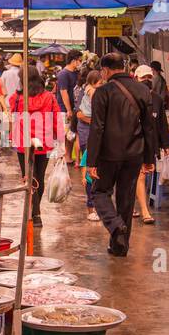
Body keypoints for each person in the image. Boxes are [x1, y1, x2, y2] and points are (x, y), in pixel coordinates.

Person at [86, 53, 157, 257]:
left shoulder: (102, 92)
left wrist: (91, 161)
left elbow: (97, 128)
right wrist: (149, 158)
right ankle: (120, 246)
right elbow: (148, 128)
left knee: (100, 192)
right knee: (126, 198)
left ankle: (115, 225)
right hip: (134, 153)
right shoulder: (143, 90)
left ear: (106, 71)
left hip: (108, 154)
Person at [9, 67, 63, 225]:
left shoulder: (17, 98)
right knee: (40, 176)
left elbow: (12, 117)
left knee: (29, 177)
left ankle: (34, 211)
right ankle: (36, 213)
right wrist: (60, 141)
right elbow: (56, 119)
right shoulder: (49, 97)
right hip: (44, 142)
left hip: (23, 143)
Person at [133, 65, 169, 226]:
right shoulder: (130, 97)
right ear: (136, 79)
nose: (147, 81)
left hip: (151, 145)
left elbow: (162, 123)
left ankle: (133, 206)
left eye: (149, 78)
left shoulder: (157, 99)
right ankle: (145, 211)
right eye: (143, 78)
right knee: (139, 176)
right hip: (133, 144)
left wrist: (166, 144)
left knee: (140, 177)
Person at [76, 70, 101, 222]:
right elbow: (79, 114)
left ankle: (97, 207)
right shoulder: (91, 92)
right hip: (89, 131)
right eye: (99, 83)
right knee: (90, 168)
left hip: (93, 132)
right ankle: (91, 208)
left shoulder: (90, 90)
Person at [55, 50, 82, 163]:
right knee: (64, 133)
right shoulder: (63, 74)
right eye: (79, 60)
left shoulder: (76, 73)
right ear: (74, 60)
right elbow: (63, 92)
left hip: (74, 108)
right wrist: (69, 109)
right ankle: (62, 157)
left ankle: (68, 157)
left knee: (71, 134)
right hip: (64, 108)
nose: (80, 63)